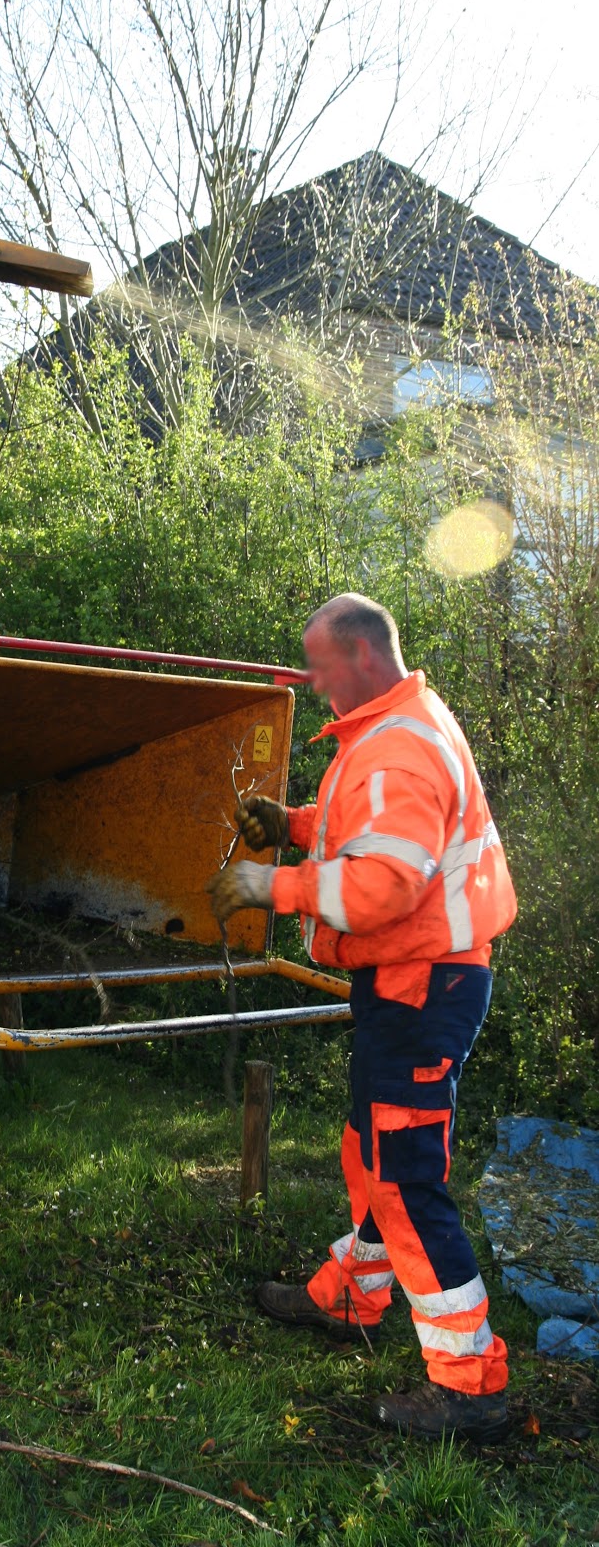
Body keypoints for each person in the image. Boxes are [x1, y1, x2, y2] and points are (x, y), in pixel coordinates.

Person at [207, 593, 517, 1442]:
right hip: (418, 983)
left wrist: (273, 884)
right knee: (370, 1147)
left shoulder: (394, 749)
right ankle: (351, 1298)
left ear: (359, 658)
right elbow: (374, 837)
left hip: (423, 986)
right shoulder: (398, 722)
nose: (309, 682)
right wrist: (297, 827)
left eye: (317, 666)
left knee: (407, 1179)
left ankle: (469, 1382)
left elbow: (383, 886)